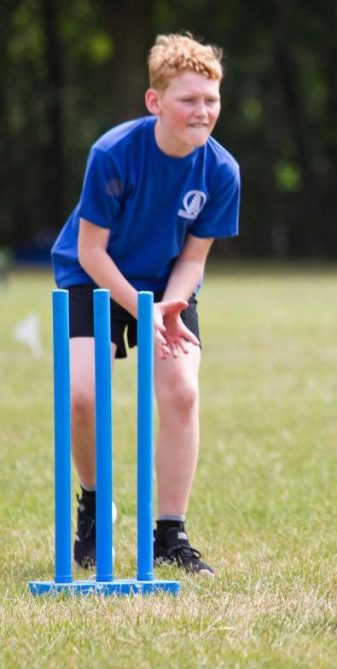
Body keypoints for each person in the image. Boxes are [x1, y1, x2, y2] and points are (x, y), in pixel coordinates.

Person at [50, 33, 240, 575]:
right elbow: (90, 250)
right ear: (155, 102)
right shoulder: (114, 154)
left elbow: (194, 260)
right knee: (83, 396)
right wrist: (140, 306)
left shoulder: (221, 171)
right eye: (188, 100)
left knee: (181, 392)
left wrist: (170, 306)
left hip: (167, 288)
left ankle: (170, 535)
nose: (202, 111)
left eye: (211, 100)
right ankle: (92, 509)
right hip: (91, 275)